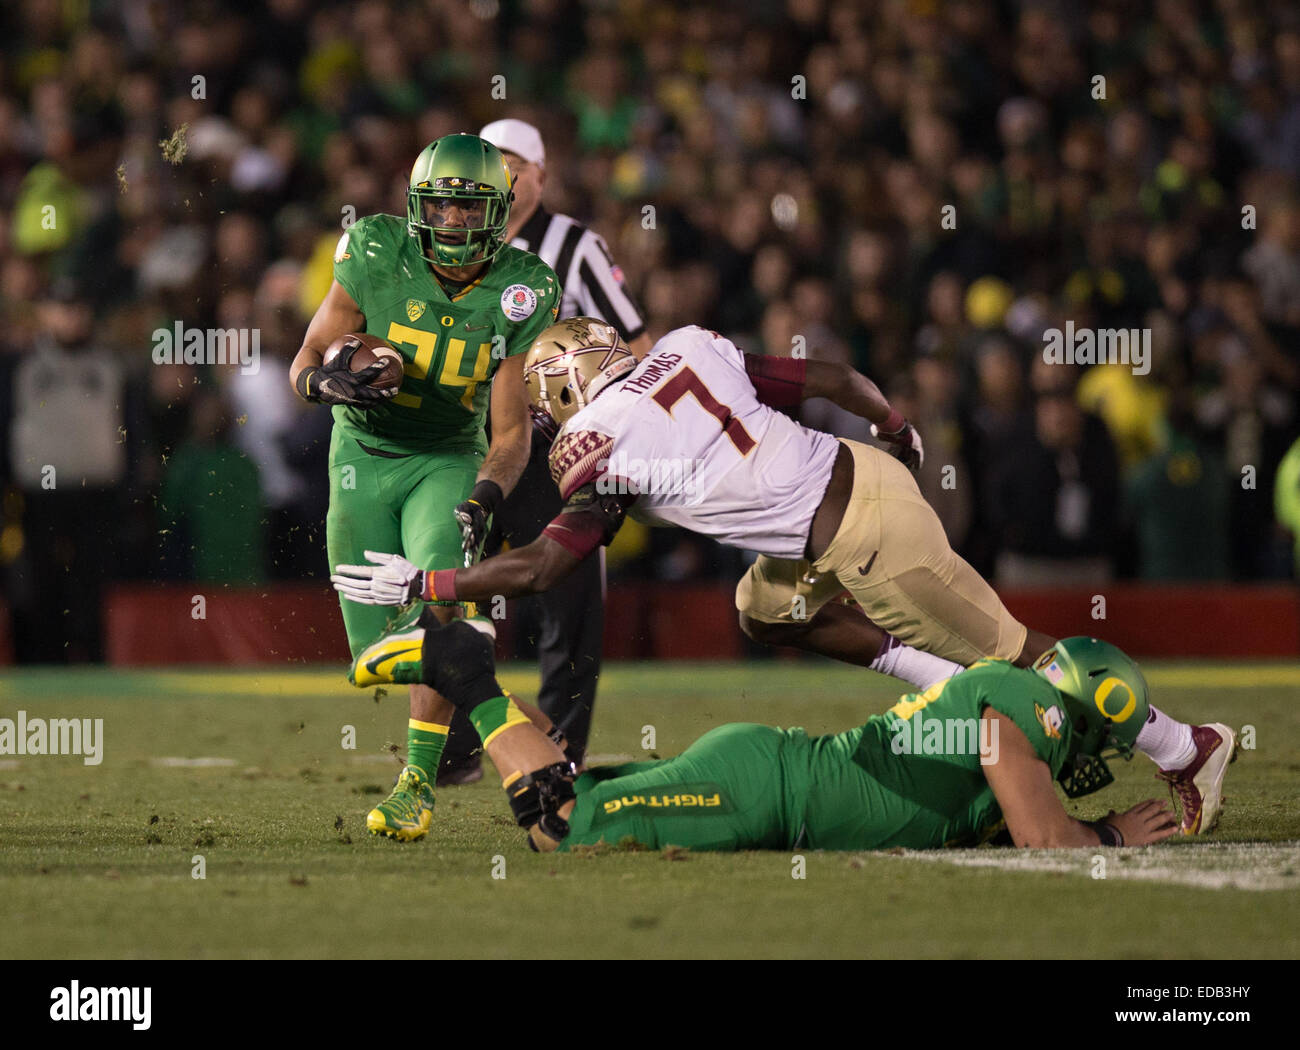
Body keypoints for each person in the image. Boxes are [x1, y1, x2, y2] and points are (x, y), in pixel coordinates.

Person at [334, 318, 1055, 676]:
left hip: (864, 538)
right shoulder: (686, 346)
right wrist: (895, 426)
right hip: (860, 471)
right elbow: (833, 377)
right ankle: (925, 676)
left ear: (564, 386)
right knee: (764, 609)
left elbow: (545, 567)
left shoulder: (595, 442)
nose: (550, 419)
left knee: (1014, 654)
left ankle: (1166, 744)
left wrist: (428, 582)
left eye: (548, 403)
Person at [354, 616, 1238, 851]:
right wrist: (1109, 835)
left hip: (773, 780)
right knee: (559, 826)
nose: (1090, 762)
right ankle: (459, 664)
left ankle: (485, 686)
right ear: (1076, 708)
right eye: (1095, 740)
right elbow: (1046, 839)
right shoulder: (1019, 704)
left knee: (574, 795)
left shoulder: (1007, 703)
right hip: (764, 793)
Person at [289, 133, 560, 841]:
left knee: (440, 607)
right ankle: (531, 728)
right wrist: (328, 381)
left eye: (470, 212)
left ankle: (416, 785)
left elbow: (510, 432)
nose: (452, 225)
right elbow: (305, 362)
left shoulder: (521, 288)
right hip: (361, 461)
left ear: (500, 213)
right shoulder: (376, 251)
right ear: (416, 207)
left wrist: (483, 498)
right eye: (440, 208)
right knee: (374, 661)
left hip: (446, 458)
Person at [429, 119, 651, 779]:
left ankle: (560, 759)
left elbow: (635, 345)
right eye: (488, 168)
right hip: (478, 447)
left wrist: (605, 421)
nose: (500, 179)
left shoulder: (574, 246)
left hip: (557, 453)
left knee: (569, 609)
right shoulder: (454, 242)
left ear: (539, 176)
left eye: (513, 167)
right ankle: (456, 737)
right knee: (449, 589)